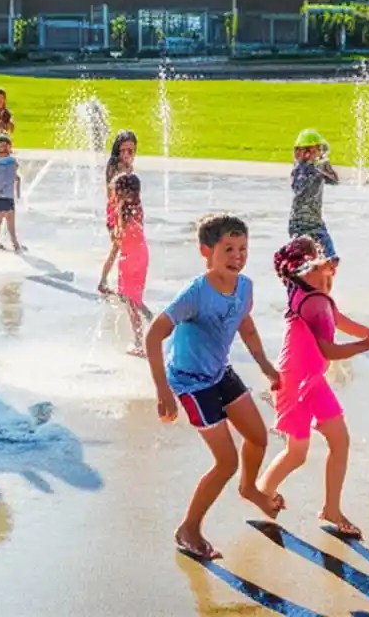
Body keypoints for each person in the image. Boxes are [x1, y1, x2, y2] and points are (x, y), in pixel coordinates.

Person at [143, 213, 284, 561]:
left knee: (258, 436)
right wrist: (163, 391)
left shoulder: (245, 286)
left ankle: (249, 488)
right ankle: (188, 528)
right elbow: (153, 335)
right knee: (225, 461)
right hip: (191, 383)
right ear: (206, 251)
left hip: (220, 372)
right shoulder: (195, 293)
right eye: (229, 249)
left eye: (243, 249)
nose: (238, 255)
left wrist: (266, 365)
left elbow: (245, 325)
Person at [259, 236, 369, 539]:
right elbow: (329, 351)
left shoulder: (309, 293)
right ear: (304, 271)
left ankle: (331, 509)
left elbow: (341, 321)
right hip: (293, 383)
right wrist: (368, 344)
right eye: (316, 264)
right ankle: (263, 491)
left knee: (340, 439)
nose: (327, 267)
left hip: (312, 380)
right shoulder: (312, 300)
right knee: (296, 453)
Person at [97, 173, 150, 356]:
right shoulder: (138, 206)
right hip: (142, 253)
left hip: (128, 256)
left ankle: (139, 342)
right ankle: (151, 319)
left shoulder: (122, 208)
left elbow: (119, 235)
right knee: (133, 296)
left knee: (129, 300)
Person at [289, 129, 340, 263]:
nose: (321, 153)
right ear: (306, 152)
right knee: (325, 259)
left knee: (329, 259)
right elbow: (299, 186)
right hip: (303, 225)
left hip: (313, 223)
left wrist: (324, 166)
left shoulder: (314, 169)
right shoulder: (302, 170)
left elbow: (335, 180)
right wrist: (319, 168)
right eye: (318, 150)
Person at [104, 129, 137, 231]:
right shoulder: (115, 163)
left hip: (126, 208)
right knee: (117, 243)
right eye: (124, 150)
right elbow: (111, 186)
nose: (127, 154)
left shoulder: (126, 163)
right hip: (116, 208)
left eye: (131, 151)